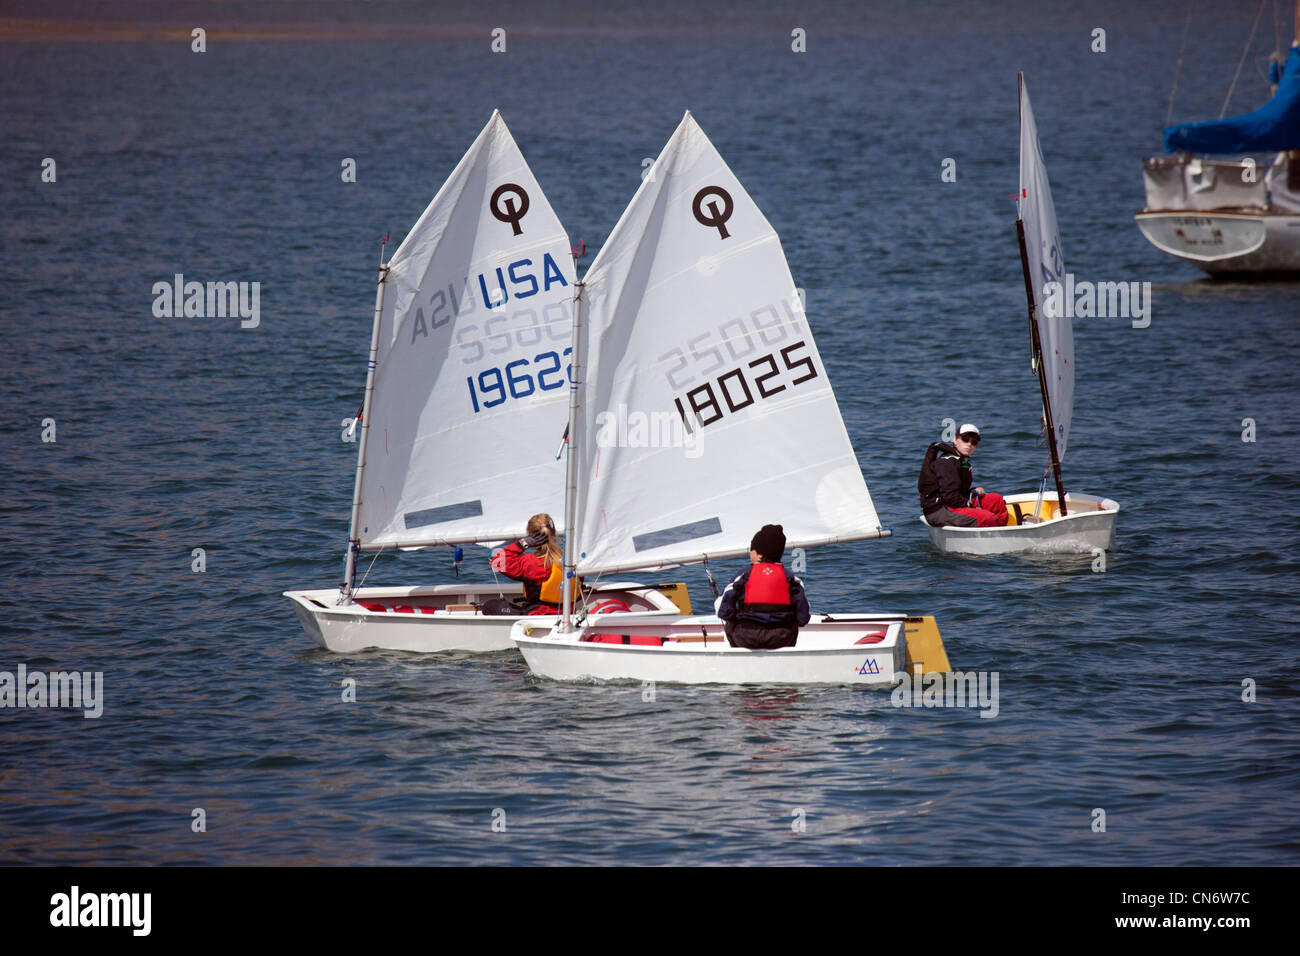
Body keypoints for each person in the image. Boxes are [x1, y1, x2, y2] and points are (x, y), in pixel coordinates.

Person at [716, 524, 811, 649]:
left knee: (730, 622)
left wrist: (738, 617)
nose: (750, 553)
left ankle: (738, 654)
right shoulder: (791, 578)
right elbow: (803, 618)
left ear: (759, 554)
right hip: (781, 638)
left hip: (747, 638)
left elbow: (723, 610)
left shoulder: (744, 575)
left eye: (751, 550)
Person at [918, 424, 1008, 528]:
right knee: (987, 518)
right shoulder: (948, 462)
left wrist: (972, 491)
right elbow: (949, 496)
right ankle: (993, 530)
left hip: (953, 503)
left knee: (996, 500)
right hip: (939, 510)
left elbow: (956, 492)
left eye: (974, 442)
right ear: (955, 440)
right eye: (965, 439)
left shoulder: (961, 461)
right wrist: (972, 507)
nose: (969, 444)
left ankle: (1001, 530)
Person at [486, 513, 566, 615]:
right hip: (567, 612)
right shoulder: (569, 560)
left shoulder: (531, 563)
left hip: (538, 614)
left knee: (490, 605)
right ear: (553, 533)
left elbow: (497, 562)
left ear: (529, 535)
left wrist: (522, 544)